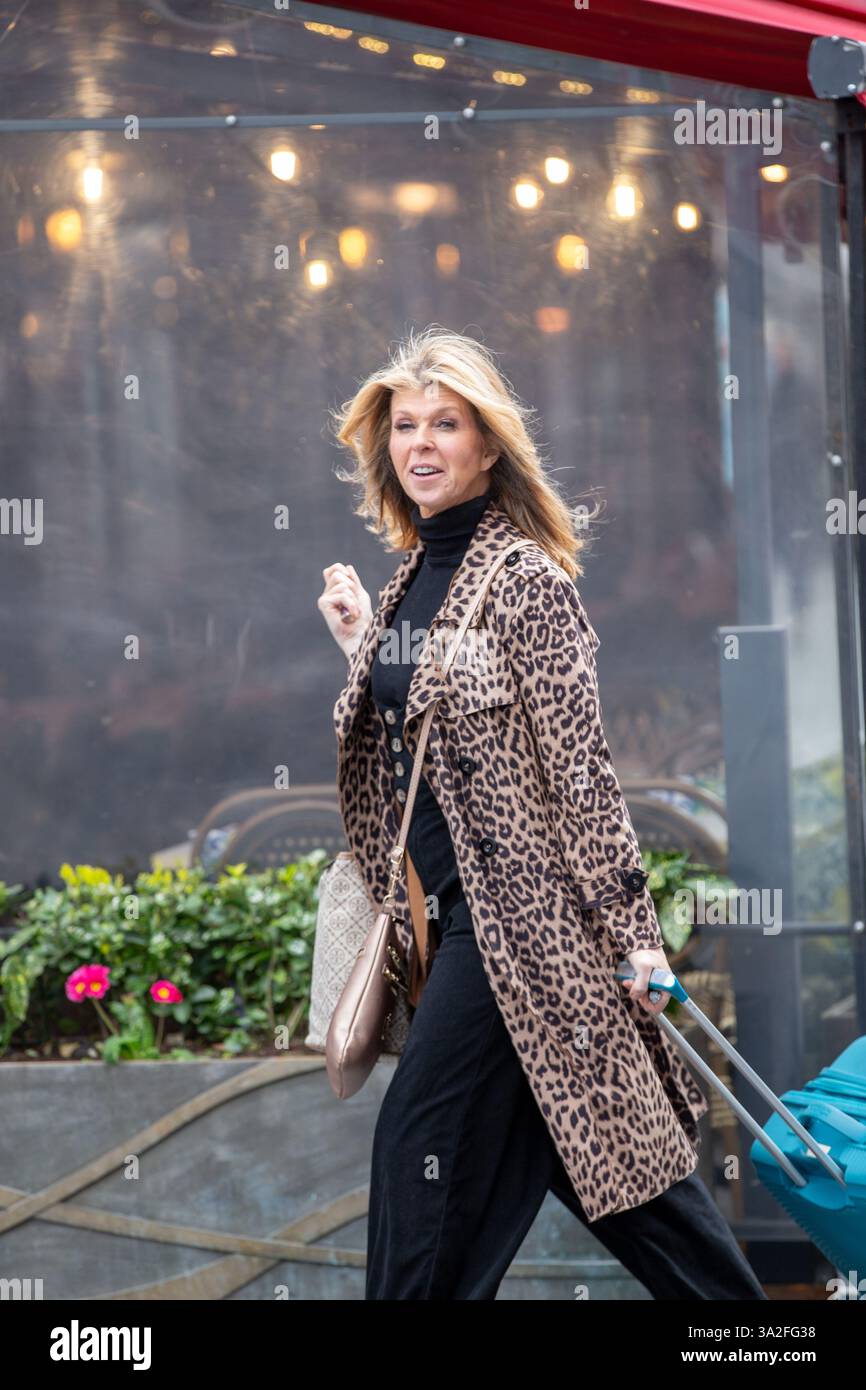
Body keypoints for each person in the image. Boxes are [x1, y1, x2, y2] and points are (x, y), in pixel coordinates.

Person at [318, 327, 767, 1301]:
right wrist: (366, 646)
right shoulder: (407, 581)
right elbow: (435, 737)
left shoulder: (525, 583)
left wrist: (636, 938)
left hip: (523, 934)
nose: (422, 443)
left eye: (447, 423)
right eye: (405, 425)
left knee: (414, 1148)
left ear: (487, 445)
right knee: (621, 1181)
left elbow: (582, 775)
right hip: (456, 928)